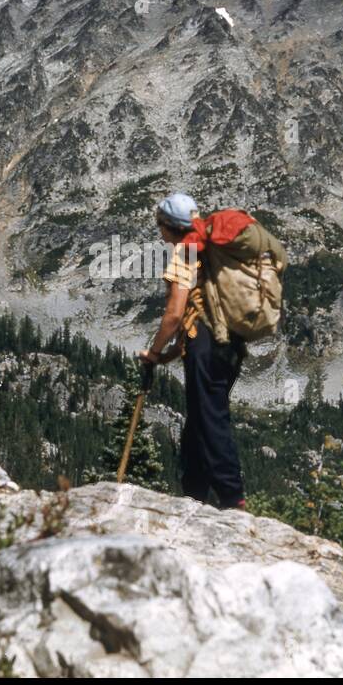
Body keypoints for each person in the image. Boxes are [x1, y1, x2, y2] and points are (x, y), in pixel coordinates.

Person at [139, 192, 248, 510]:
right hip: (230, 346)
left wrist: (154, 352)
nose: (159, 232)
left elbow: (174, 314)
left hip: (205, 346)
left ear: (170, 226)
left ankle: (232, 498)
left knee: (211, 416)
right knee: (199, 419)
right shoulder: (213, 252)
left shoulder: (186, 253)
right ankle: (194, 492)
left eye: (160, 225)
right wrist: (169, 355)